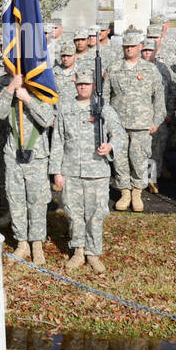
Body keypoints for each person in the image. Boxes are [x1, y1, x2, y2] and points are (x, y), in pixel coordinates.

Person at [50, 64, 124, 273]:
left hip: (97, 172)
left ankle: (93, 252)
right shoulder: (65, 109)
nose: (83, 87)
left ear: (93, 85)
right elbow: (58, 141)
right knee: (74, 213)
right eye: (80, 84)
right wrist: (57, 171)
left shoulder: (103, 109)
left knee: (96, 213)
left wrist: (110, 146)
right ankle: (78, 250)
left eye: (87, 84)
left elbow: (119, 134)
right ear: (75, 84)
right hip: (71, 170)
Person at [0, 61, 56, 264]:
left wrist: (27, 99)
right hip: (13, 154)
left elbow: (47, 120)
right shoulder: (8, 90)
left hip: (36, 156)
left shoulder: (41, 91)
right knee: (16, 199)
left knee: (36, 201)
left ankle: (36, 244)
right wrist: (12, 88)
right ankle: (22, 243)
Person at [106, 30, 164, 212]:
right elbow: (106, 97)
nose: (129, 49)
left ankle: (137, 192)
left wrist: (156, 120)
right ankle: (124, 192)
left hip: (142, 124)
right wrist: (107, 121)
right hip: (118, 125)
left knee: (139, 159)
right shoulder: (113, 68)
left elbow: (159, 98)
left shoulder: (150, 70)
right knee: (120, 159)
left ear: (140, 47)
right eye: (126, 46)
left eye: (132, 46)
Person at [142, 37, 176, 190]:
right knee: (141, 149)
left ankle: (151, 178)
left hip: (159, 115)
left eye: (150, 50)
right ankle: (139, 179)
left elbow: (172, 91)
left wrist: (169, 111)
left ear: (156, 51)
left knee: (157, 148)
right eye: (144, 50)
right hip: (140, 116)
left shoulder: (163, 69)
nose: (147, 54)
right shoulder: (135, 68)